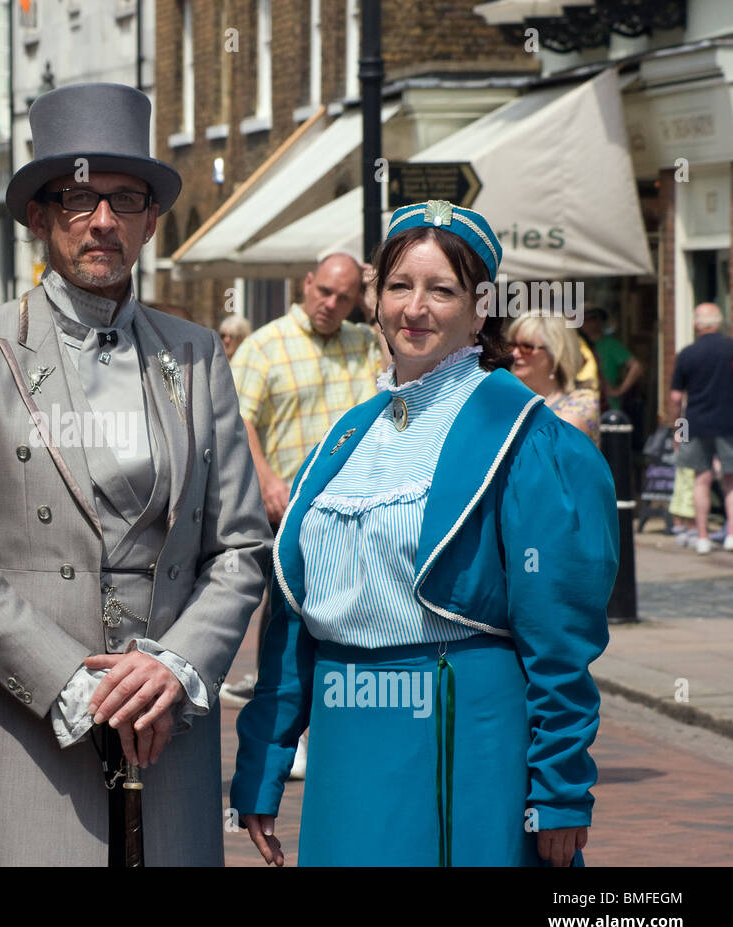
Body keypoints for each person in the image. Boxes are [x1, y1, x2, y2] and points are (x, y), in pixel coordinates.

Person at [0, 81, 271, 866]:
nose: (102, 220)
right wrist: (75, 683)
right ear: (39, 216)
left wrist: (173, 668)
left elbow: (241, 546)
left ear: (148, 219)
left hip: (167, 728)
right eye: (77, 198)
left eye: (124, 198)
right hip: (30, 725)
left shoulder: (197, 354)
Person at [232, 199, 618, 867]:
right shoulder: (347, 436)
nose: (416, 308)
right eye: (400, 286)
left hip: (468, 741)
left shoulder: (527, 440)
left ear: (480, 307)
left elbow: (559, 637)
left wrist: (560, 792)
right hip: (344, 746)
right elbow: (294, 618)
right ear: (375, 297)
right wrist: (264, 764)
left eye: (442, 290)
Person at [225, 252, 381, 775]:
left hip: (358, 515)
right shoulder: (264, 346)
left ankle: (339, 734)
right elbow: (237, 420)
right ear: (307, 284)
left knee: (351, 626)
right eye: (324, 292)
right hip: (290, 514)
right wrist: (267, 480)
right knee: (287, 633)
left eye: (345, 297)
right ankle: (281, 742)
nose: (331, 305)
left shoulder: (363, 344)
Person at [670, 302, 733, 554]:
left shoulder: (687, 354)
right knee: (731, 481)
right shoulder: (730, 349)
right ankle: (731, 535)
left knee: (700, 479)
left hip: (695, 425)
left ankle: (703, 537)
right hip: (729, 423)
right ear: (719, 323)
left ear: (696, 324)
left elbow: (676, 399)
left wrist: (678, 432)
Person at [508, 310, 600, 444]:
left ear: (555, 353)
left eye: (526, 347)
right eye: (512, 346)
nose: (515, 354)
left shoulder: (581, 402)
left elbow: (550, 444)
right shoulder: (510, 397)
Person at [583, 306, 642, 412]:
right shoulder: (578, 345)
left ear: (601, 321)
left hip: (607, 404)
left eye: (593, 319)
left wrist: (620, 390)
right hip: (582, 404)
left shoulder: (610, 344)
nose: (590, 323)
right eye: (585, 319)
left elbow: (636, 366)